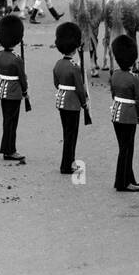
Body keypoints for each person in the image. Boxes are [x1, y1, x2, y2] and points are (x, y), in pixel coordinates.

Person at [109, 33, 139, 192]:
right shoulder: (134, 79)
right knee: (126, 149)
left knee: (125, 148)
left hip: (116, 114)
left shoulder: (114, 75)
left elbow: (113, 93)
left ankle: (129, 178)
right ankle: (122, 182)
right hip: (129, 116)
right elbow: (138, 100)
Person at [52, 21, 87, 174]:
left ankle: (69, 162)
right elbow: (80, 89)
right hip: (72, 103)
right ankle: (67, 165)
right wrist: (84, 103)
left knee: (67, 133)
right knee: (71, 135)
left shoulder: (58, 64)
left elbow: (56, 83)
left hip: (61, 101)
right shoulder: (74, 67)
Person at [0, 14, 28, 164]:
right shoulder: (16, 58)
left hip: (2, 90)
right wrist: (25, 92)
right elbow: (22, 78)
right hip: (14, 92)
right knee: (12, 122)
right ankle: (10, 150)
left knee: (6, 121)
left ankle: (6, 148)